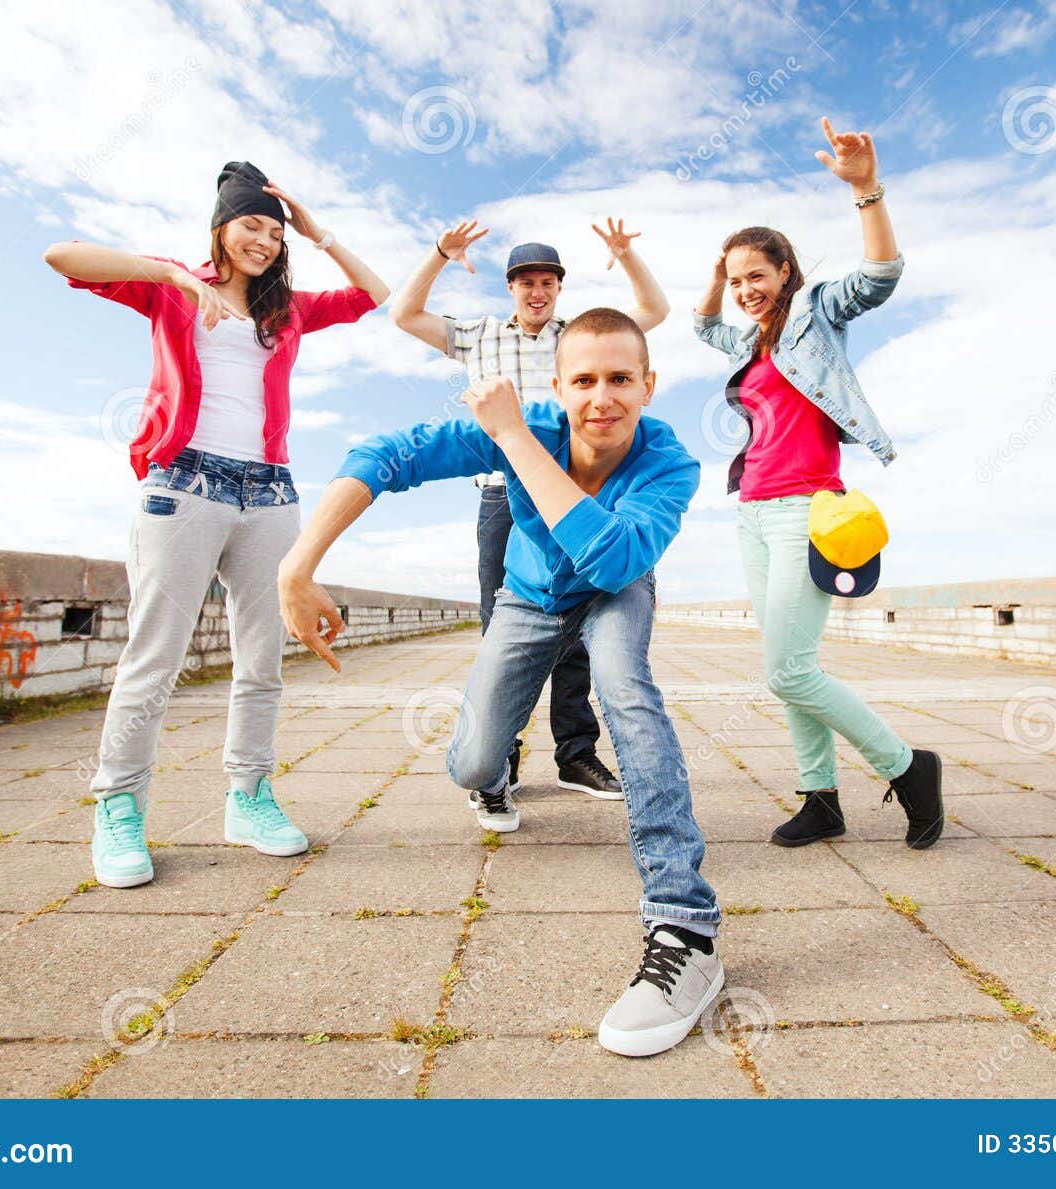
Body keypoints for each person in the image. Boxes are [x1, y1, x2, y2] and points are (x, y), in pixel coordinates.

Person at [277, 308, 723, 1058]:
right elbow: (387, 453)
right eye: (584, 380)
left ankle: (685, 925)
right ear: (559, 386)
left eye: (621, 379)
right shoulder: (535, 426)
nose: (602, 398)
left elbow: (614, 559)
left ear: (649, 385)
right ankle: (492, 781)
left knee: (625, 686)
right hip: (528, 595)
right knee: (475, 761)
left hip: (614, 588)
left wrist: (513, 438)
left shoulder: (668, 463)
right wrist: (297, 565)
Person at [43, 160, 389, 888]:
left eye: (275, 232)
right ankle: (119, 806)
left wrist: (317, 231)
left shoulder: (286, 309)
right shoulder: (172, 287)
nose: (264, 241)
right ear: (221, 228)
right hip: (182, 484)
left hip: (270, 494)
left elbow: (372, 295)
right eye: (251, 226)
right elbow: (61, 256)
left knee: (262, 660)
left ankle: (249, 797)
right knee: (155, 657)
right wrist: (172, 275)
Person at [693, 117, 944, 849]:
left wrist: (866, 190)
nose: (745, 290)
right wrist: (716, 275)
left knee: (788, 671)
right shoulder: (748, 339)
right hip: (752, 510)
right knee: (792, 666)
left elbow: (879, 277)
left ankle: (908, 767)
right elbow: (703, 327)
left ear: (785, 273)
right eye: (737, 280)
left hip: (808, 510)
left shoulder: (814, 313)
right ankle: (820, 797)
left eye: (756, 275)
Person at [386, 217, 671, 825]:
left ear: (559, 288)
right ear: (511, 288)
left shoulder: (580, 337)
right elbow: (404, 315)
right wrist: (440, 254)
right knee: (507, 622)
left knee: (582, 626)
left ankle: (576, 754)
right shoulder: (481, 336)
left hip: (579, 490)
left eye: (547, 282)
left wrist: (625, 255)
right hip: (503, 492)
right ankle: (499, 759)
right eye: (526, 282)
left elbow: (653, 311)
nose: (537, 292)